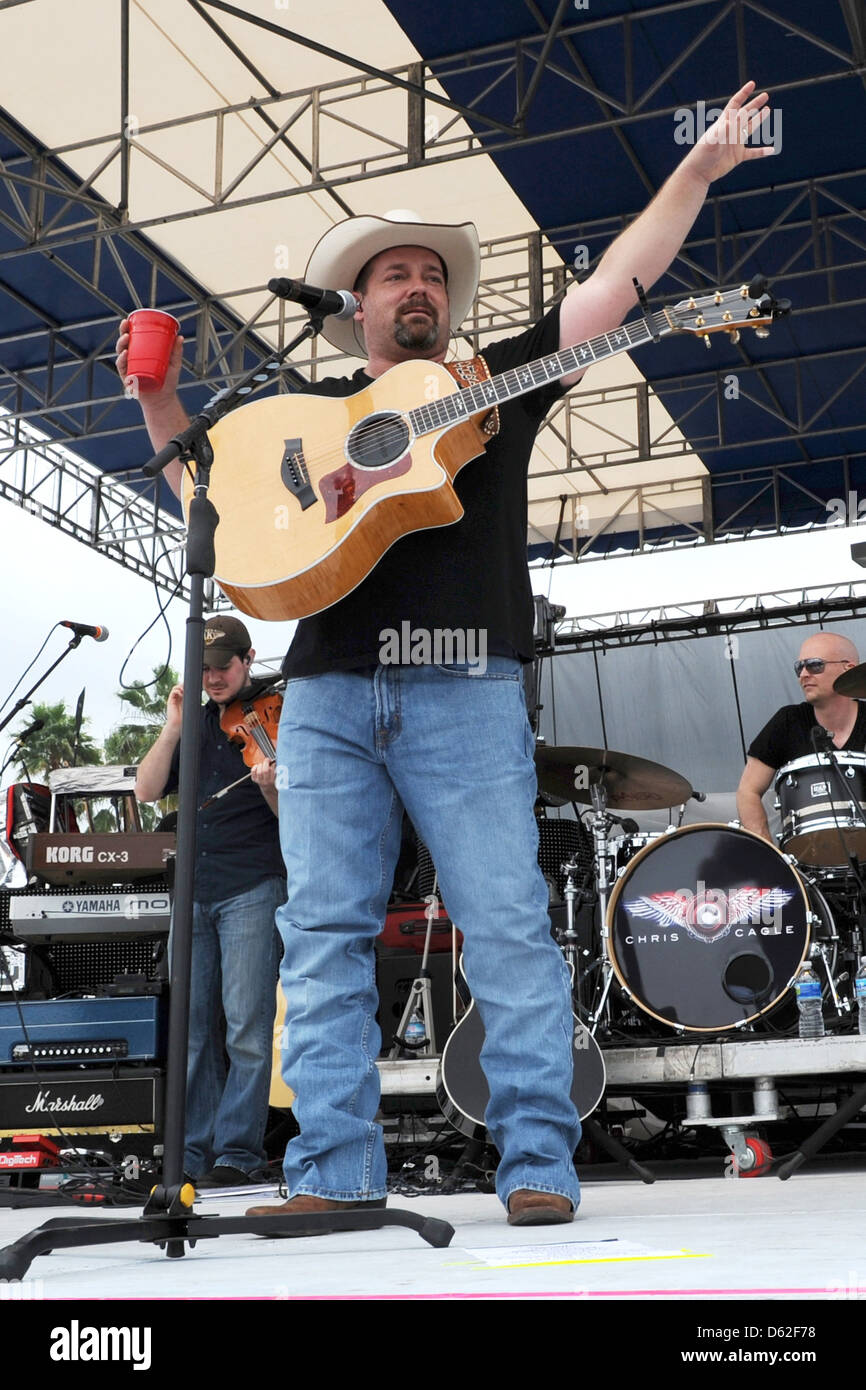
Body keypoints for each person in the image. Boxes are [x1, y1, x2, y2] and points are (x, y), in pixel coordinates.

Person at [118, 81, 777, 1225]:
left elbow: (612, 290)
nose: (415, 286)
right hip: (322, 693)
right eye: (392, 274)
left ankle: (534, 1160)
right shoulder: (306, 417)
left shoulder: (495, 393)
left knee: (505, 917)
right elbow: (202, 498)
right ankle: (332, 1172)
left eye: (430, 274)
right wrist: (161, 391)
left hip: (468, 683)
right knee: (318, 928)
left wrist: (696, 172)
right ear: (357, 310)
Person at [134, 616, 285, 1186]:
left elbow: (295, 824)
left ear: (249, 659)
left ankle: (238, 1152)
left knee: (246, 1027)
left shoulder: (275, 715)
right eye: (205, 669)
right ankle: (191, 1152)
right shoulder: (193, 722)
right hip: (192, 889)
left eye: (223, 667)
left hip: (252, 884)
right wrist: (173, 726)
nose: (214, 677)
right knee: (191, 1030)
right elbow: (146, 791)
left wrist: (272, 787)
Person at [737, 631, 864, 842]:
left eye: (814, 665)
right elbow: (748, 791)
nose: (804, 674)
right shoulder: (788, 721)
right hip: (808, 862)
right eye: (799, 667)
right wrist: (769, 852)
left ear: (848, 668)